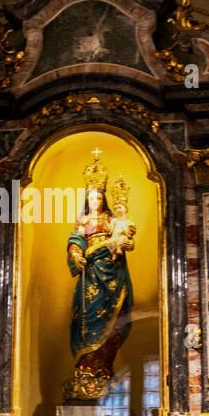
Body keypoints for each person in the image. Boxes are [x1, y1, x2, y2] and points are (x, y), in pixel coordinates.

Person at [64, 154, 134, 401]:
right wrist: (76, 256)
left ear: (104, 199)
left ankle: (104, 368)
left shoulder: (112, 220)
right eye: (91, 197)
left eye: (99, 197)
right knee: (86, 321)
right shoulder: (82, 221)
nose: (95, 200)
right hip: (90, 277)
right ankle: (85, 370)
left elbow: (126, 237)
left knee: (112, 324)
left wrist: (122, 241)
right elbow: (75, 241)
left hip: (112, 276)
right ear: (87, 199)